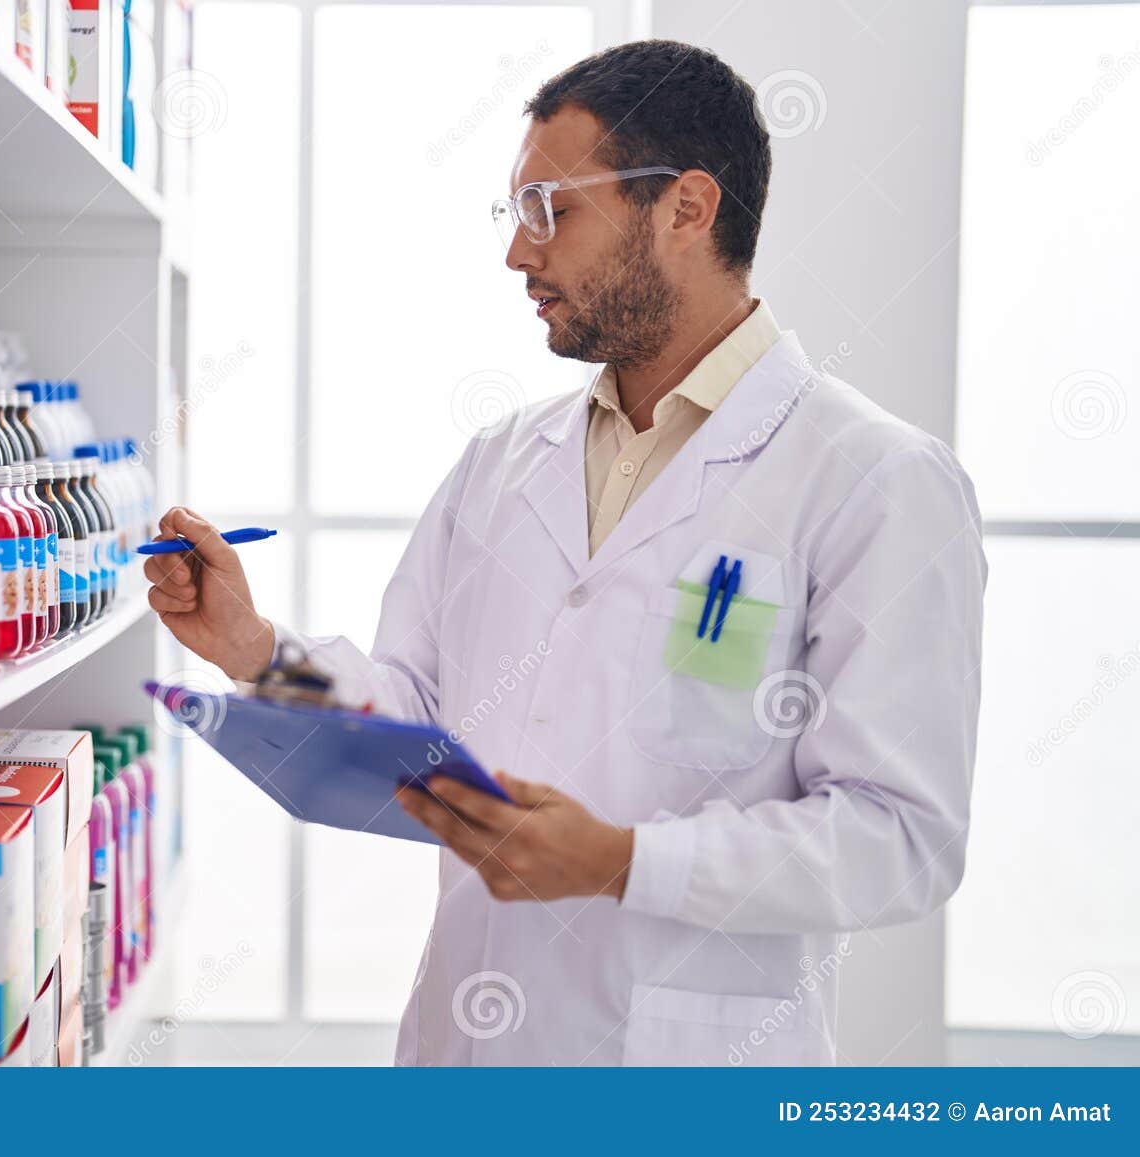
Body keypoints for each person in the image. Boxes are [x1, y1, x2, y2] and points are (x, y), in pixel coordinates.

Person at [145, 39, 986, 1066]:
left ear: (685, 208)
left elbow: (899, 838)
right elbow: (414, 717)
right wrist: (253, 647)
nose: (517, 253)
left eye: (551, 209)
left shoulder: (871, 477)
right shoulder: (501, 462)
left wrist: (626, 862)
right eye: (515, 213)